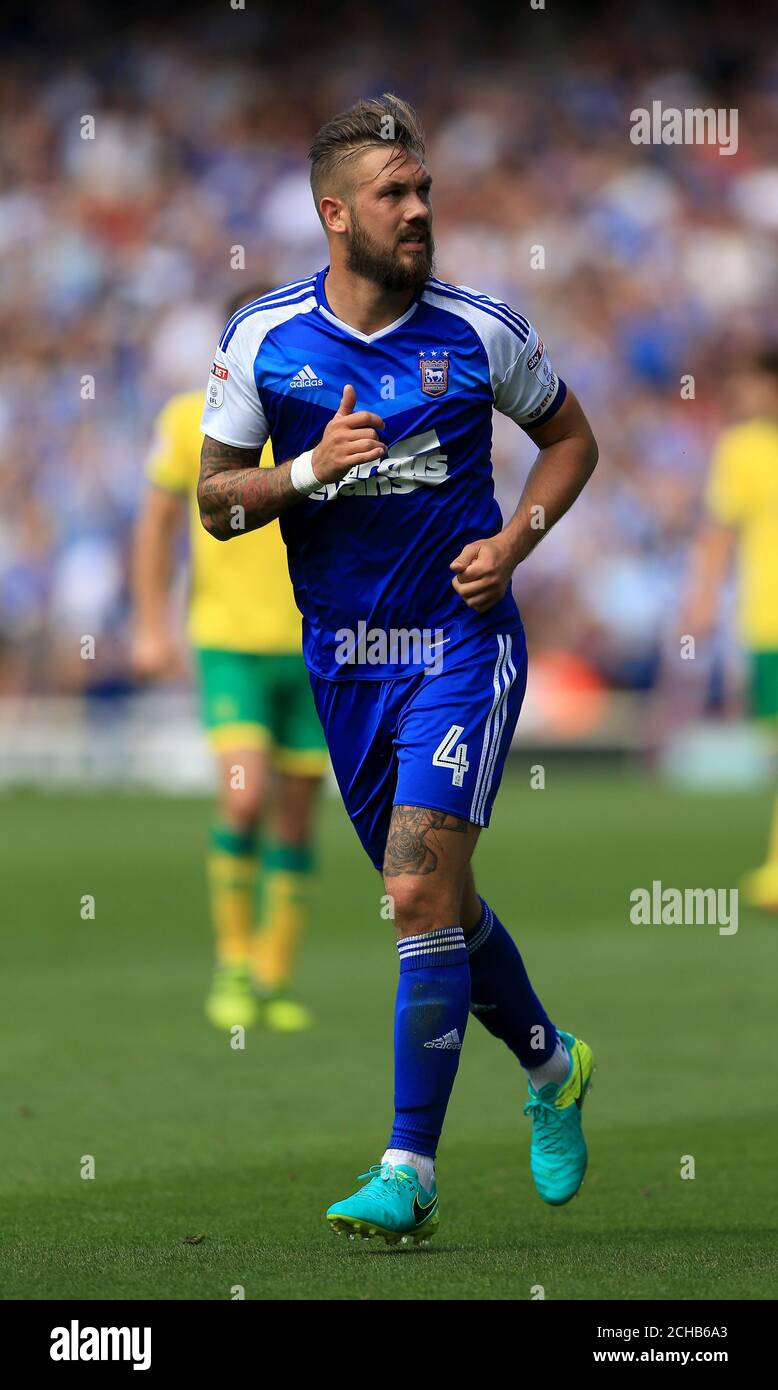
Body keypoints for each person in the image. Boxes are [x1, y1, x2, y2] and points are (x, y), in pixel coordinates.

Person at [196, 94, 599, 1243]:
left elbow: (571, 438)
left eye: (423, 190)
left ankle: (405, 1170)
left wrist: (515, 541)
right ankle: (552, 1063)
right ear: (335, 214)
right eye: (393, 194)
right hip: (345, 664)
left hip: (458, 647)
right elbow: (216, 502)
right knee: (438, 904)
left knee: (415, 892)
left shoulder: (479, 330)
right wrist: (304, 472)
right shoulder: (264, 342)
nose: (419, 211)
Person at [131, 290, 328, 1033]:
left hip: (315, 645)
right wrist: (152, 624)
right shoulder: (191, 421)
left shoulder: (322, 422)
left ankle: (275, 976)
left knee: (298, 814)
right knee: (245, 797)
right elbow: (153, 526)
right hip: (230, 643)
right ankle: (234, 964)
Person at [683, 348, 778, 910]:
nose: (745, 396)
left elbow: (718, 532)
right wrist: (703, 597)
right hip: (766, 623)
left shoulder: (742, 449)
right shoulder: (741, 446)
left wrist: (702, 599)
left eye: (753, 384)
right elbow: (719, 533)